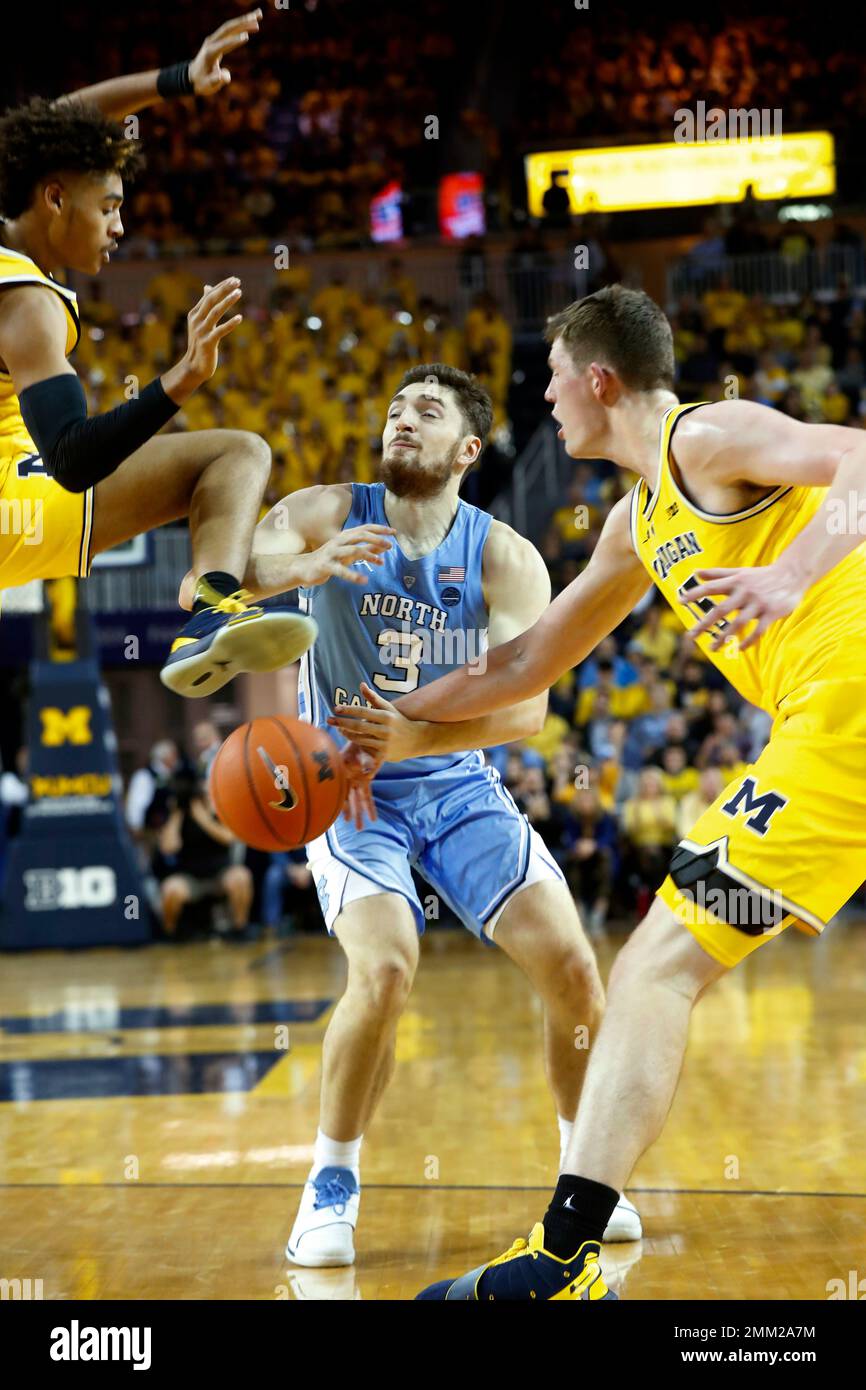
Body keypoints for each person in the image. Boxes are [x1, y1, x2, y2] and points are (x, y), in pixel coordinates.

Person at [374, 284, 866, 1299]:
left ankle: (561, 1257)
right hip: (830, 753)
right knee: (660, 960)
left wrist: (792, 575)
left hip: (846, 718)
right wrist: (382, 723)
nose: (543, 402)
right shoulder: (639, 525)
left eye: (552, 380)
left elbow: (861, 455)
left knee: (656, 962)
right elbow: (520, 664)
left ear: (597, 380)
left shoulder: (708, 437)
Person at [182, 362, 642, 1266]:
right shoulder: (326, 509)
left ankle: (584, 1172)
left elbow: (527, 710)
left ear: (469, 449)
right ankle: (331, 1180)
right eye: (394, 409)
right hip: (342, 787)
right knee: (388, 968)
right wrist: (301, 569)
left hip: (452, 777)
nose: (402, 420)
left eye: (426, 412)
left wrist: (412, 740)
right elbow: (224, 573)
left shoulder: (503, 554)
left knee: (574, 969)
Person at [0, 10, 317, 693]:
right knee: (235, 453)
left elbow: (62, 119)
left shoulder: (16, 220)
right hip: (12, 510)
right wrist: (179, 379)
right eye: (110, 206)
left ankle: (213, 613)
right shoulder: (26, 302)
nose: (121, 225)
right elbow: (74, 460)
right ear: (55, 197)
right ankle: (211, 614)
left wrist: (180, 79)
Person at [157, 769, 252, 938]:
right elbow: (168, 847)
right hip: (191, 877)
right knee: (171, 889)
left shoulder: (219, 809)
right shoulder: (179, 813)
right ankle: (169, 934)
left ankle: (240, 929)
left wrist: (202, 817)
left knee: (241, 877)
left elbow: (228, 838)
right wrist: (177, 813)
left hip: (220, 874)